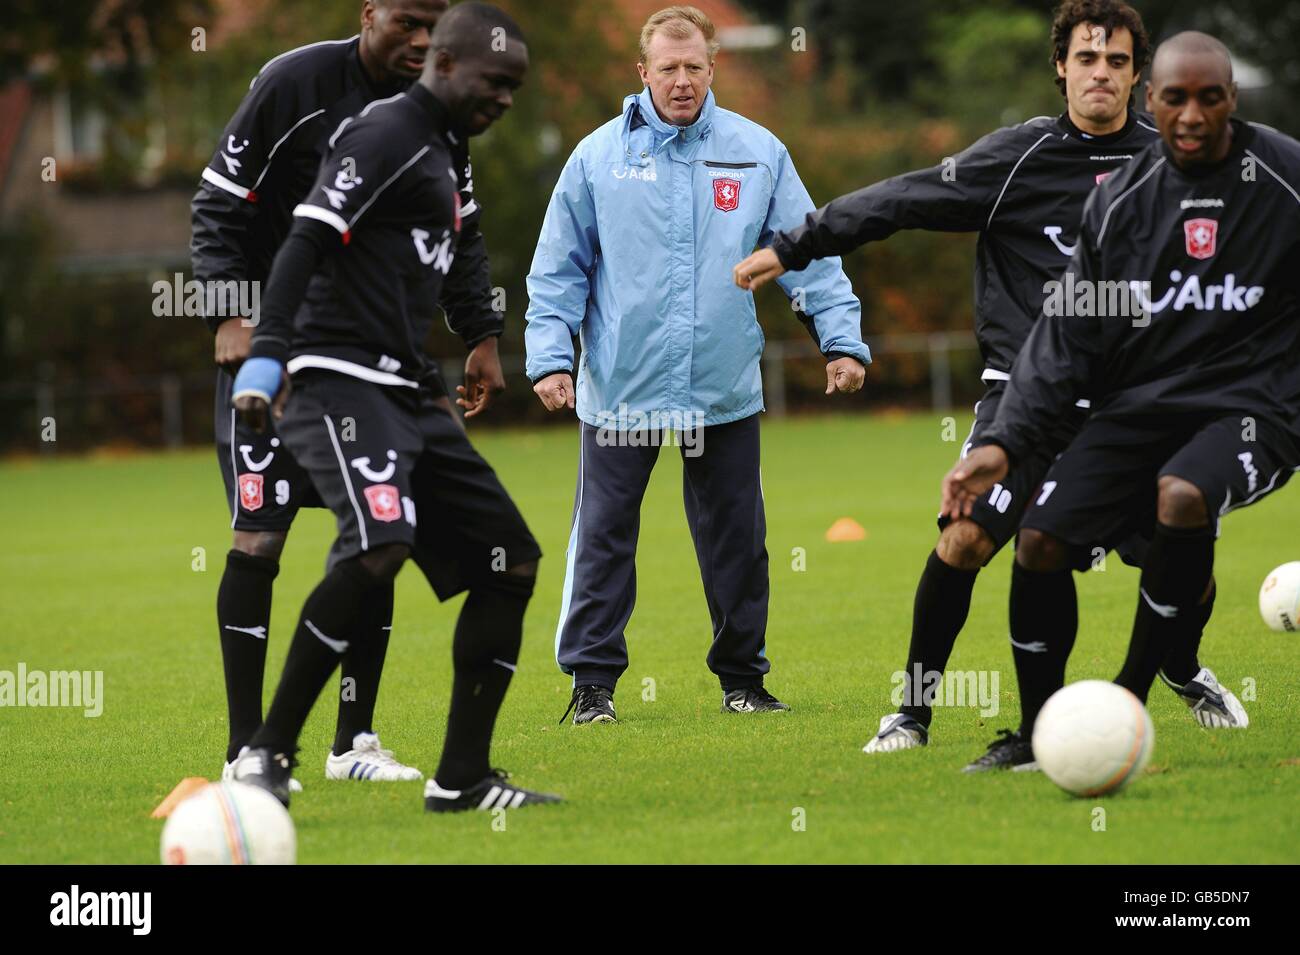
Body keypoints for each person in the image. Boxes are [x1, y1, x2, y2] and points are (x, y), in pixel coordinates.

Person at [735, 0, 1245, 765]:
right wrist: (795, 244)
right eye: (1085, 58)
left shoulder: (1176, 163)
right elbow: (902, 198)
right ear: (1061, 68)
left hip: (1136, 403)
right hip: (1026, 398)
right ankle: (912, 710)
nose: (1099, 73)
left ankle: (1179, 664)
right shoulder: (1019, 157)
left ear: (1140, 78)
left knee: (1186, 564)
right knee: (969, 538)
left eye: (1115, 61)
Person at [228, 2, 558, 813]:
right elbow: (305, 238)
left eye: (515, 86)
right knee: (379, 543)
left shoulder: (447, 149)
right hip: (334, 376)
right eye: (494, 81)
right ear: (444, 66)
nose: (506, 98)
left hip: (407, 387)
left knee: (508, 559)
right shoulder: (384, 132)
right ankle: (263, 756)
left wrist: (482, 333)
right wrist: (265, 359)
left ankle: (462, 778)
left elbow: (457, 254)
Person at [942, 31, 1300, 769]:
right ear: (1152, 101)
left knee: (1181, 494)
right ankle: (1040, 734)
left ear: (1233, 99)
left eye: (1210, 97)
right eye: (1176, 98)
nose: (1193, 114)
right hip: (1143, 406)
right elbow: (1066, 337)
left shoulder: (1286, 178)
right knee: (1039, 539)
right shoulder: (1125, 201)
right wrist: (1003, 441)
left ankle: (1125, 705)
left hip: (1256, 407)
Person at [525, 5, 870, 725]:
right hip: (621, 389)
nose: (681, 81)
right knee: (604, 541)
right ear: (642, 72)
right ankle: (592, 688)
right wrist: (551, 359)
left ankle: (743, 681)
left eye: (694, 67)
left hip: (722, 391)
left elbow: (809, 251)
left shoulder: (758, 151)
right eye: (667, 68)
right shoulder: (595, 158)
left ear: (713, 68)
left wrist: (839, 340)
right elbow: (557, 271)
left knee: (738, 545)